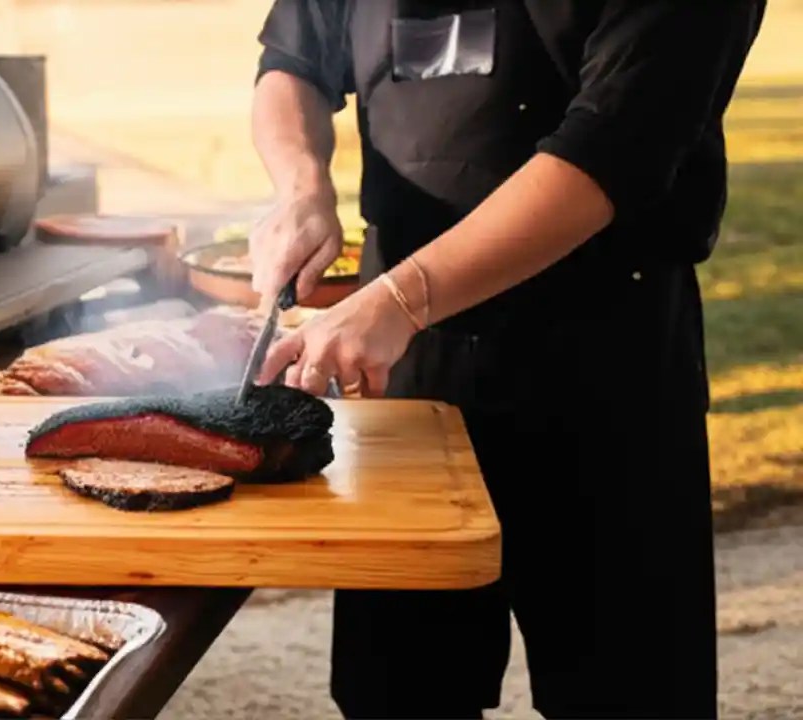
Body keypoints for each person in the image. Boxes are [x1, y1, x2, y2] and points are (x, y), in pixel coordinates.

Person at [248, 2, 765, 718]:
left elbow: (611, 146)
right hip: (406, 378)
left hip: (604, 370)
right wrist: (301, 186)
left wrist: (400, 299)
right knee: (401, 692)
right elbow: (292, 63)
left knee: (631, 692)